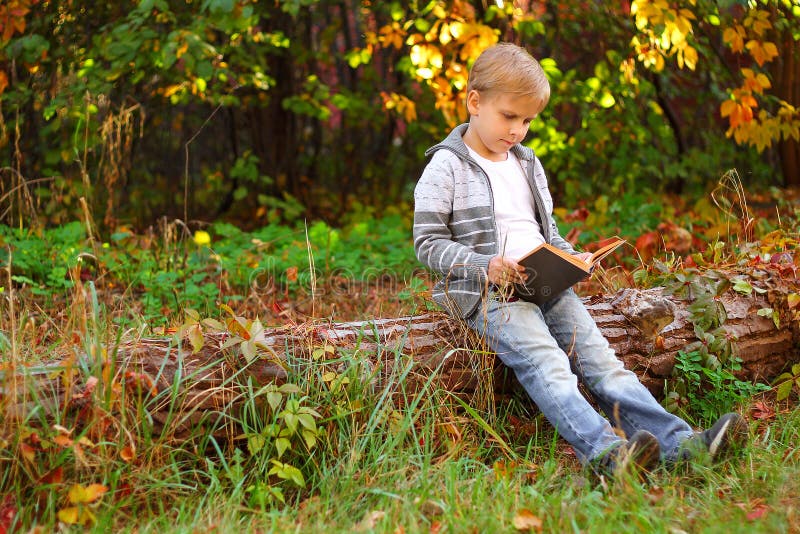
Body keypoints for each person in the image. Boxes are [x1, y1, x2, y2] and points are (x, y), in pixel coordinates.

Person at [412, 42, 747, 476]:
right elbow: (427, 243)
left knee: (603, 363)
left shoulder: (527, 163)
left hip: (544, 282)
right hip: (489, 295)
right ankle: (607, 454)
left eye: (527, 120)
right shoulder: (446, 167)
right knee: (549, 364)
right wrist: (486, 264)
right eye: (509, 117)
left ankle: (681, 445)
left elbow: (546, 234)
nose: (517, 130)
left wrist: (573, 258)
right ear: (474, 102)